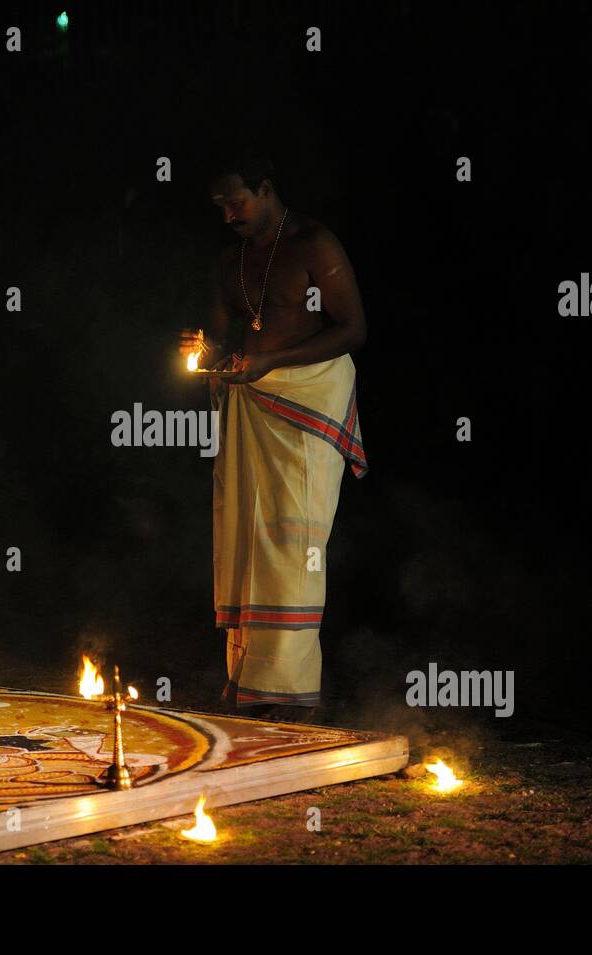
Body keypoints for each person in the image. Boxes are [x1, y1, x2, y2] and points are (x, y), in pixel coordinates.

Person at [181, 153, 367, 721]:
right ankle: (250, 684)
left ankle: (288, 692)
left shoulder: (314, 243)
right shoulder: (228, 259)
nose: (228, 215)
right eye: (219, 207)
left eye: (235, 202)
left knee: (293, 543)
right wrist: (205, 351)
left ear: (265, 188)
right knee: (246, 536)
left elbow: (353, 329)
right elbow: (219, 337)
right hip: (251, 403)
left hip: (305, 399)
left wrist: (275, 362)